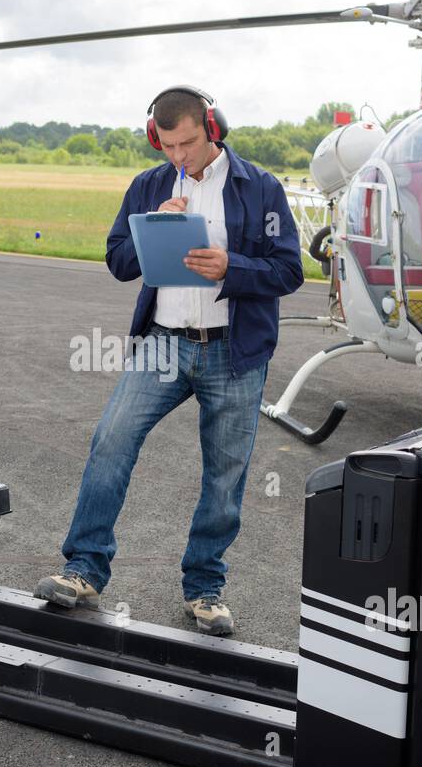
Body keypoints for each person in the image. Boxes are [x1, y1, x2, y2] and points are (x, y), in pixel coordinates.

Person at [34, 85, 304, 635]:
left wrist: (233, 266)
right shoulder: (149, 186)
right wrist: (151, 225)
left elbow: (289, 270)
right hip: (163, 342)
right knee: (111, 440)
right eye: (169, 146)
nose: (179, 156)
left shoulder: (262, 189)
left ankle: (205, 588)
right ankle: (84, 569)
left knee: (224, 474)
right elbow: (118, 262)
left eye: (189, 143)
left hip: (236, 349)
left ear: (213, 128)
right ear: (155, 138)